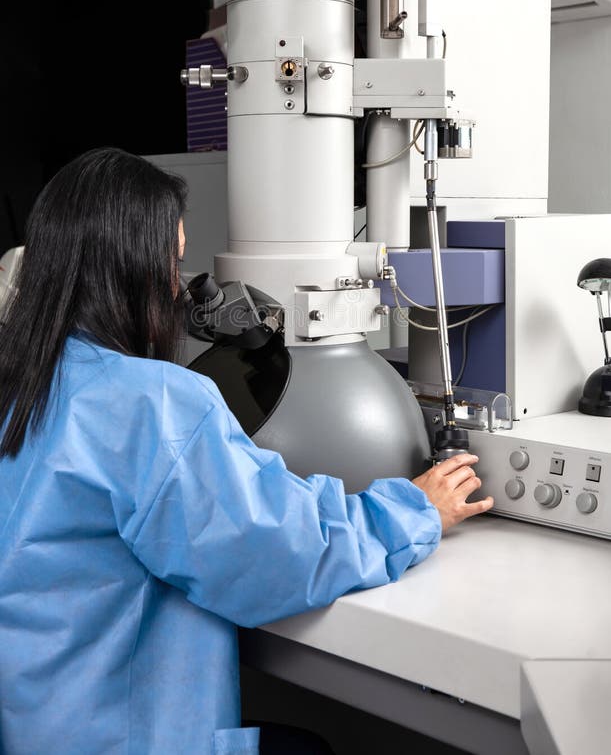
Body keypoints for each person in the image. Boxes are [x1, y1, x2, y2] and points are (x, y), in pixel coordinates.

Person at [0, 149, 493, 755]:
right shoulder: (150, 403)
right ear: (131, 271)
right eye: (172, 265)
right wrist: (414, 511)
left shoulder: (22, 381)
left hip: (39, 724)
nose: (179, 291)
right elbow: (275, 550)